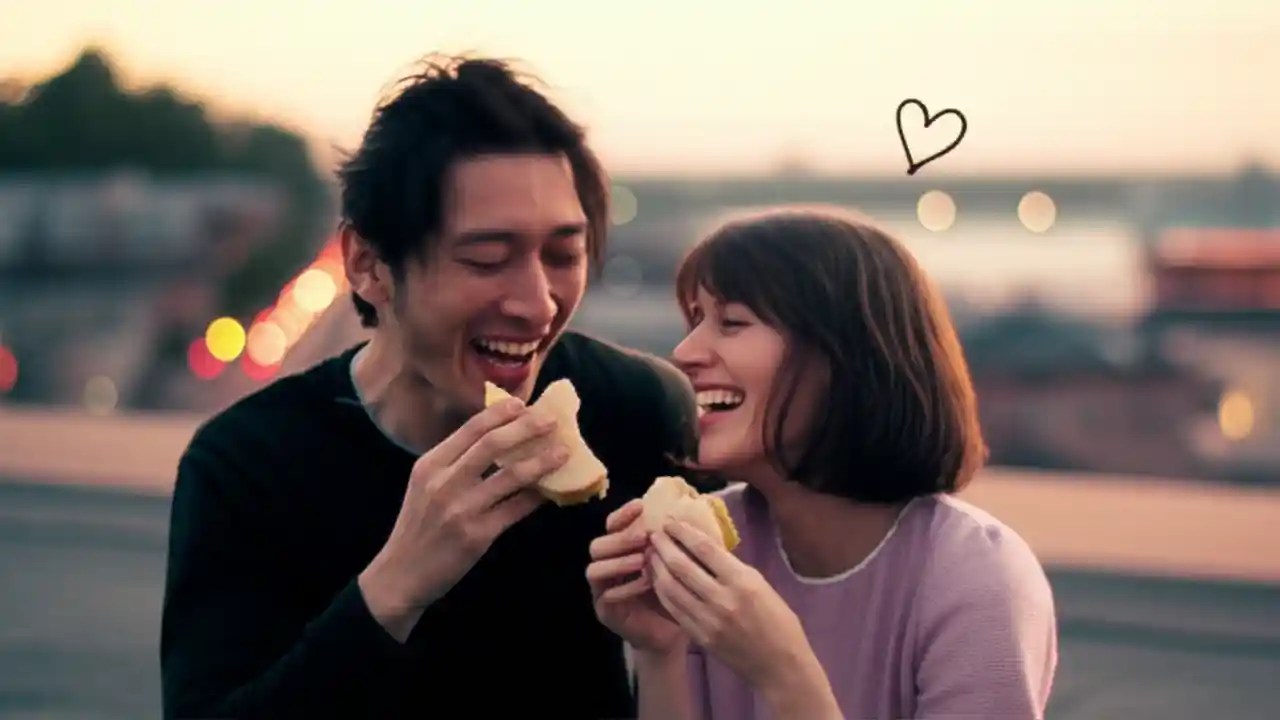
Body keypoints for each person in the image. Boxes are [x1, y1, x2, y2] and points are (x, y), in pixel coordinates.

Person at [159, 55, 700, 719]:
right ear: (368, 265)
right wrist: (395, 586)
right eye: (487, 259)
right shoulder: (246, 467)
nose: (538, 304)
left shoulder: (638, 410)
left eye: (564, 254)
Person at [587, 205, 1059, 719]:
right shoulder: (713, 546)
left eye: (732, 323)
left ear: (844, 357)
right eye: (696, 320)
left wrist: (783, 671)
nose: (685, 351)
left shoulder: (973, 576)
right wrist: (660, 652)